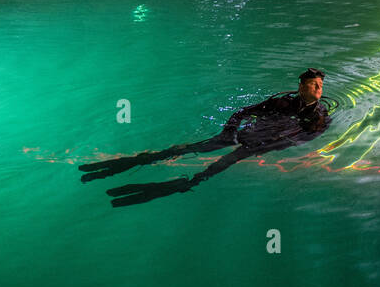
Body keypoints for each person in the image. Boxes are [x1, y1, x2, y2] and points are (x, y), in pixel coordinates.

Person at [79, 69, 331, 206]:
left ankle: (185, 184)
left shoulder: (321, 115)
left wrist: (277, 144)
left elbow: (306, 137)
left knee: (217, 167)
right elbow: (242, 111)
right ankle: (132, 162)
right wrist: (229, 130)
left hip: (259, 145)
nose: (319, 88)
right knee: (191, 148)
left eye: (320, 84)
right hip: (241, 136)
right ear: (301, 86)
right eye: (313, 84)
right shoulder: (281, 103)